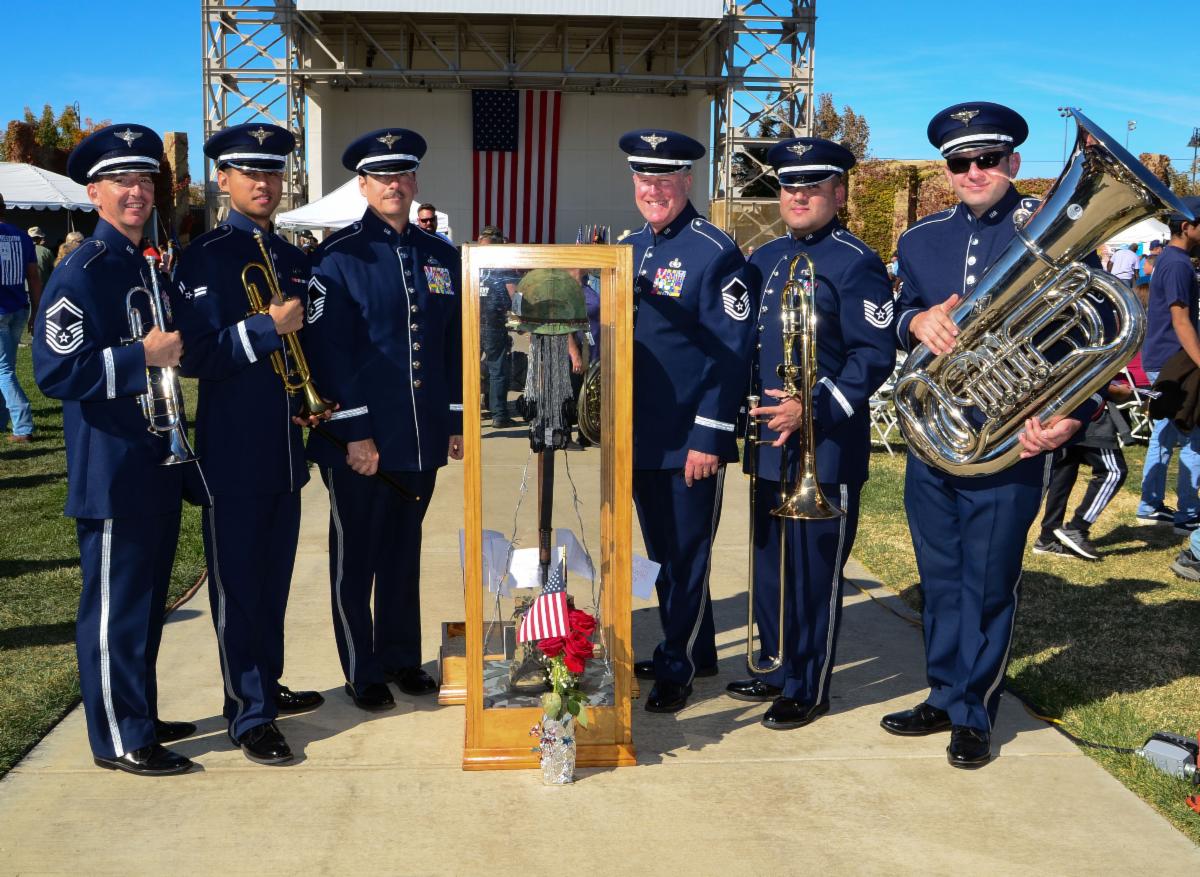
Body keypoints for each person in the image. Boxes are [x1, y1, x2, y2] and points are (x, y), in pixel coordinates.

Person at [883, 103, 1093, 768]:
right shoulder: (920, 242)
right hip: (934, 442)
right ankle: (945, 693)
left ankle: (976, 711)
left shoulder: (1051, 232)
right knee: (940, 577)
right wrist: (914, 323)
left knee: (989, 581)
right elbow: (891, 313)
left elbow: (1088, 336)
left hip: (1008, 442)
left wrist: (1072, 418)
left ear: (1013, 163)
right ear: (947, 170)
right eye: (960, 162)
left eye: (988, 159)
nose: (974, 171)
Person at [32, 124, 199, 776]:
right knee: (113, 613)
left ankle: (141, 713)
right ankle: (118, 738)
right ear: (95, 192)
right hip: (113, 466)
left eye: (145, 180)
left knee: (144, 608)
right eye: (122, 181)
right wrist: (141, 358)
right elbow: (54, 370)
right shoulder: (84, 269)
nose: (137, 191)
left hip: (154, 459)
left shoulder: (143, 263)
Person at [723, 138, 895, 729]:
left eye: (812, 187)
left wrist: (812, 408)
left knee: (814, 577)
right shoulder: (765, 259)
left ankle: (807, 683)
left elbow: (874, 357)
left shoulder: (857, 262)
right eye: (789, 186)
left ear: (837, 194)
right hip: (771, 446)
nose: (797, 196)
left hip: (825, 447)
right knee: (770, 568)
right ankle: (774, 664)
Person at [171, 123, 327, 766]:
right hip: (233, 449)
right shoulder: (202, 257)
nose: (264, 183)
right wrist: (263, 329)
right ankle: (248, 713)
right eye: (249, 173)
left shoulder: (292, 257)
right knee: (237, 584)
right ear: (225, 179)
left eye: (272, 172)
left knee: (274, 579)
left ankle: (267, 679)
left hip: (286, 446)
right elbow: (194, 357)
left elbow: (308, 348)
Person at [304, 128, 463, 710]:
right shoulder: (338, 257)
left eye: (403, 174)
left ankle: (400, 656)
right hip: (363, 440)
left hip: (419, 436)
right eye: (381, 176)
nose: (394, 185)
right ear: (364, 185)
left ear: (416, 181)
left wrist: (455, 420)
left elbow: (451, 345)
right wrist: (355, 431)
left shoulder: (442, 255)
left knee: (403, 552)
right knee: (358, 559)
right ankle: (360, 667)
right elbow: (330, 353)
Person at [619, 129, 754, 713]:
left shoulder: (714, 250)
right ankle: (693, 648)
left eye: (665, 178)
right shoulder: (629, 247)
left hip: (688, 438)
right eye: (645, 179)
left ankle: (676, 663)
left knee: (687, 552)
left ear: (687, 181)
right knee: (660, 552)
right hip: (641, 434)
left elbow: (731, 352)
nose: (654, 189)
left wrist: (710, 436)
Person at [1139, 196, 1200, 534]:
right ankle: (1188, 514)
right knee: (1193, 436)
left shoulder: (1171, 259)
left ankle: (1150, 506)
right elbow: (1181, 320)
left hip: (1165, 359)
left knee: (1164, 435)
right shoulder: (1178, 264)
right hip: (1175, 362)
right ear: (1186, 227)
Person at [1032, 386, 1132, 560]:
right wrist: (1121, 391)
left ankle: (1048, 538)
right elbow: (1101, 384)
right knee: (1114, 472)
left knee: (1064, 473)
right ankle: (1077, 527)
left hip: (1065, 413)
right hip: (1091, 418)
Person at [0, 196, 42, 443]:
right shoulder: (22, 236)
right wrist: (36, 311)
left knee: (3, 370)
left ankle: (23, 425)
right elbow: (34, 278)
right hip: (19, 307)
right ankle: (3, 418)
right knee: (6, 368)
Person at [476, 225, 519, 428]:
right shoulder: (503, 265)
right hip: (494, 323)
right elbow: (514, 294)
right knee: (497, 369)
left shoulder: (473, 262)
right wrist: (521, 319)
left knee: (469, 369)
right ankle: (499, 415)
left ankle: (468, 412)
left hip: (472, 322)